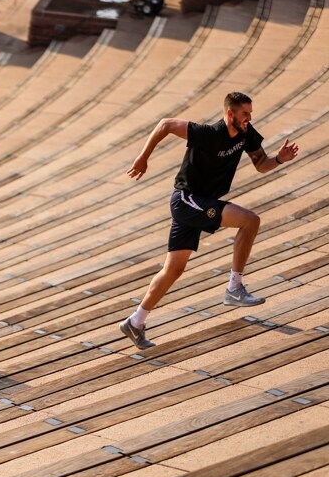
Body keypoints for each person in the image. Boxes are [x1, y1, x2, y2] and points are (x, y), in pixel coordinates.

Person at [120, 92, 299, 349]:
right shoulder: (208, 133)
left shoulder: (247, 134)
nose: (250, 117)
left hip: (198, 204)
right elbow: (165, 125)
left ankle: (135, 322)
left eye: (250, 112)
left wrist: (280, 159)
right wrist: (143, 157)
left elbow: (261, 164)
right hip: (187, 199)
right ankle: (235, 288)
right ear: (230, 114)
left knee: (173, 270)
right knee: (250, 221)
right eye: (245, 113)